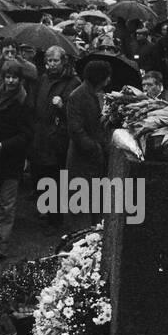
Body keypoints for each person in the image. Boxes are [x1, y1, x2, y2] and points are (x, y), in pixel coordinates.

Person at [0, 60, 33, 255]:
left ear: (20, 79)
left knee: (7, 204)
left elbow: (26, 134)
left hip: (11, 159)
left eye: (14, 77)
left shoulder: (24, 101)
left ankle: (2, 244)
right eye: (8, 77)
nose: (11, 81)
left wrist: (4, 145)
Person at [32, 48, 81, 227]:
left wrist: (62, 106)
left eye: (55, 61)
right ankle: (45, 210)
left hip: (58, 138)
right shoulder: (43, 79)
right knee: (41, 174)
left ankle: (55, 219)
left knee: (56, 179)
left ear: (63, 61)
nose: (52, 64)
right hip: (41, 135)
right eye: (49, 60)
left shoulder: (73, 82)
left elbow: (76, 112)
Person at [66, 58, 112, 229]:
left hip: (93, 158)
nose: (109, 80)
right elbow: (76, 130)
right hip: (82, 158)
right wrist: (95, 148)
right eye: (107, 76)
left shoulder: (95, 94)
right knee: (81, 204)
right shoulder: (77, 96)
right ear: (100, 77)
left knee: (94, 202)